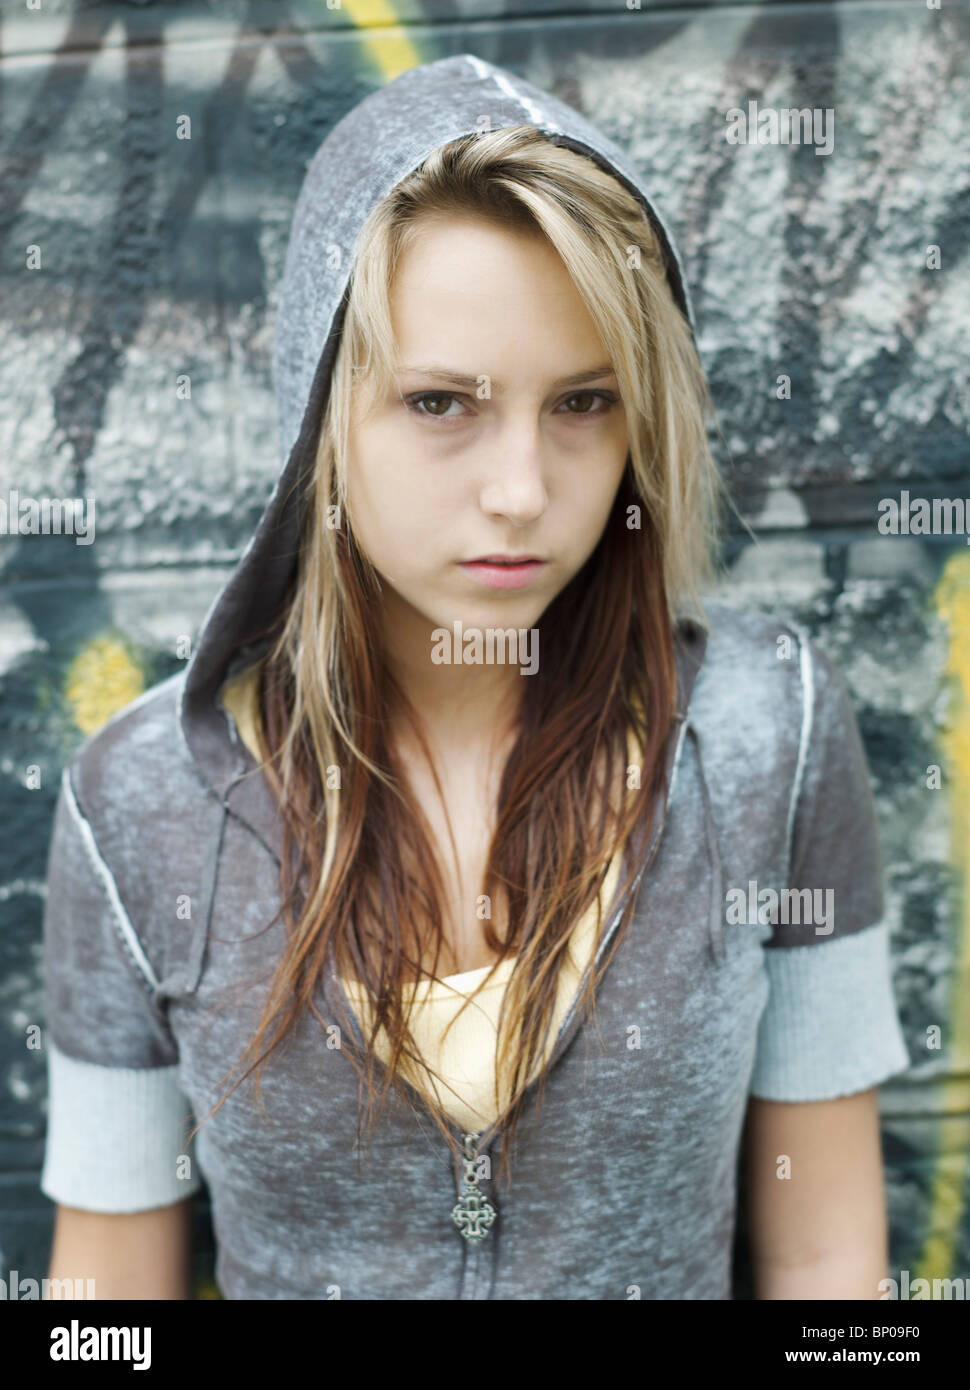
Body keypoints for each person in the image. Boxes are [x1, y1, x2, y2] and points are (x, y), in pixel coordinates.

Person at [40, 54, 909, 1300]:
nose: (521, 489)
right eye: (443, 403)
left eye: (583, 403)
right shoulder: (140, 803)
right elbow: (105, 1303)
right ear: (321, 417)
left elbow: (828, 1264)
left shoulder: (773, 731)